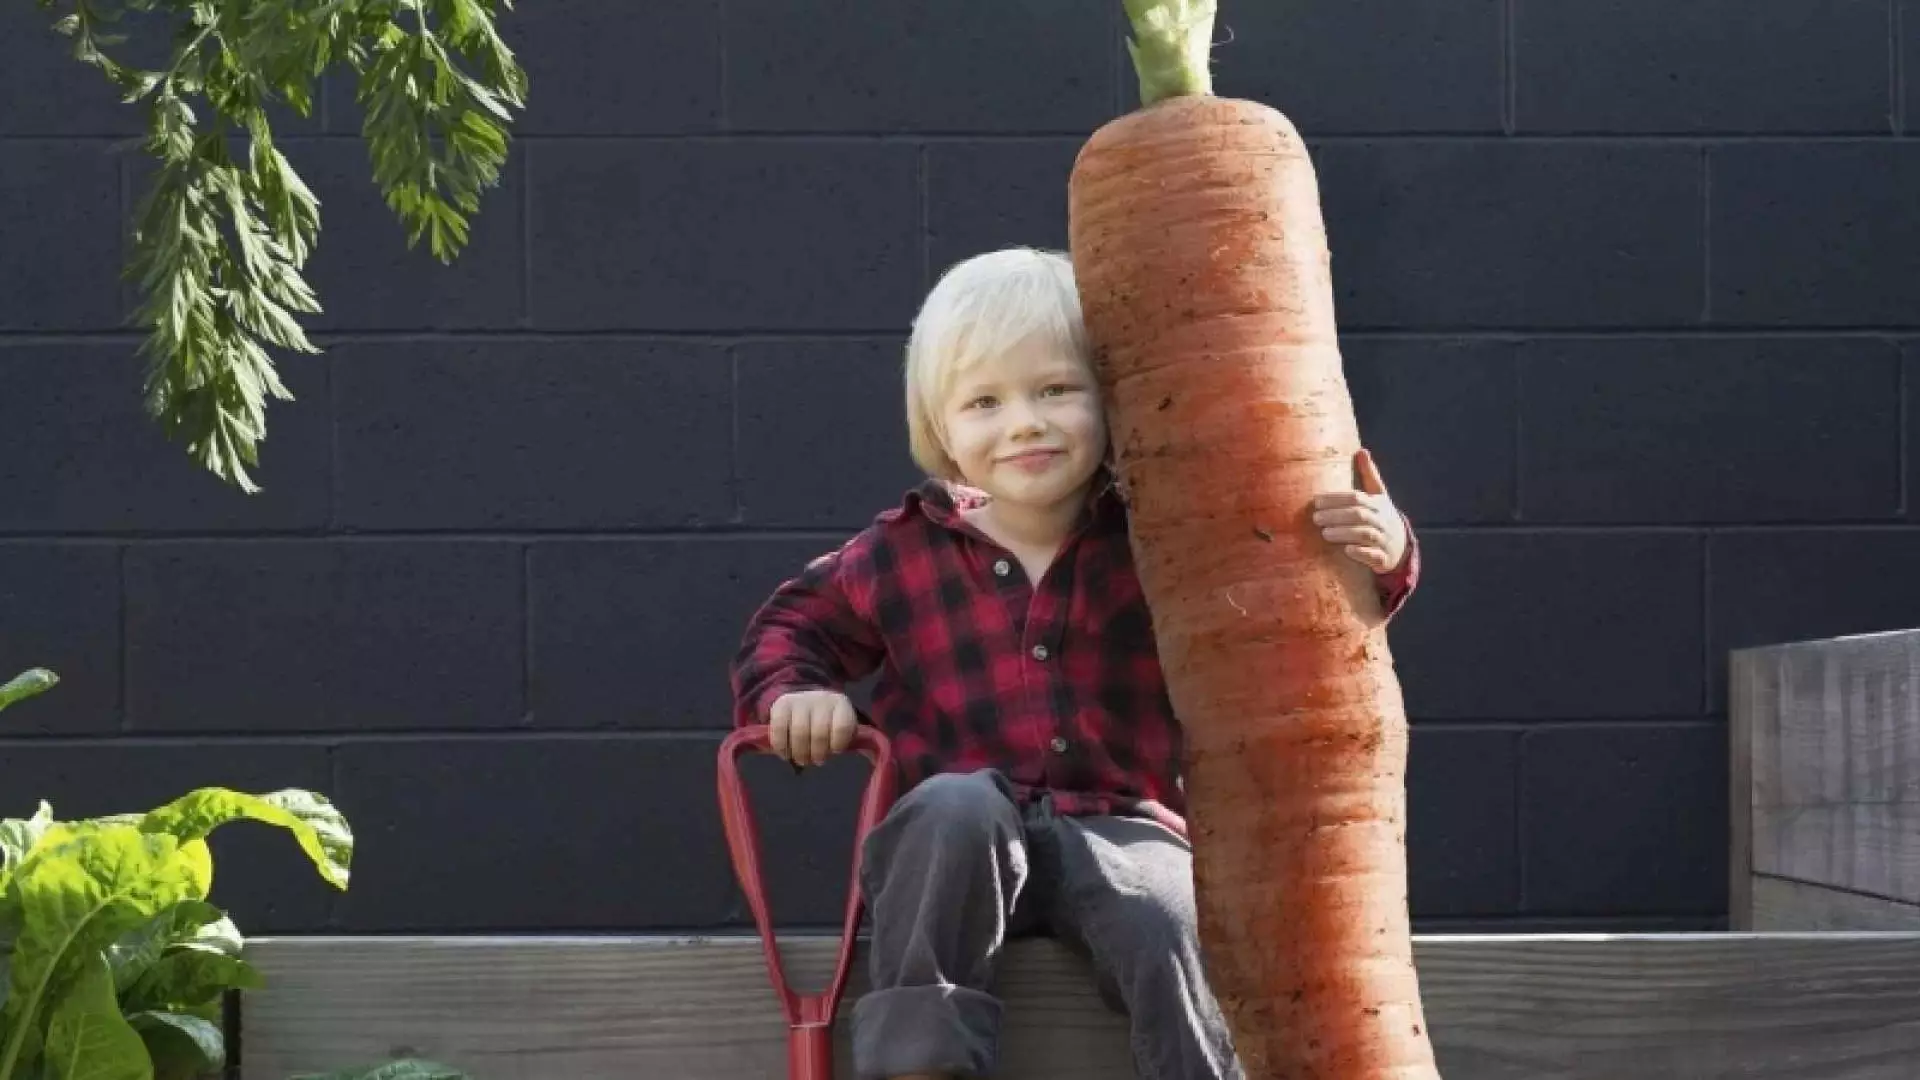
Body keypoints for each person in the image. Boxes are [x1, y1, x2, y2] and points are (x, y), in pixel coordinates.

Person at [729, 246, 1419, 1080]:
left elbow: (1287, 600)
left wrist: (1380, 552)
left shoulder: (1158, 535)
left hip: (1122, 823)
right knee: (947, 809)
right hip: (958, 857)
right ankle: (922, 1066)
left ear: (1110, 401)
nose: (1025, 422)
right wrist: (795, 693)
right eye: (985, 401)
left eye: (1055, 390)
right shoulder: (898, 553)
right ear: (939, 427)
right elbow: (787, 627)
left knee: (1173, 915)